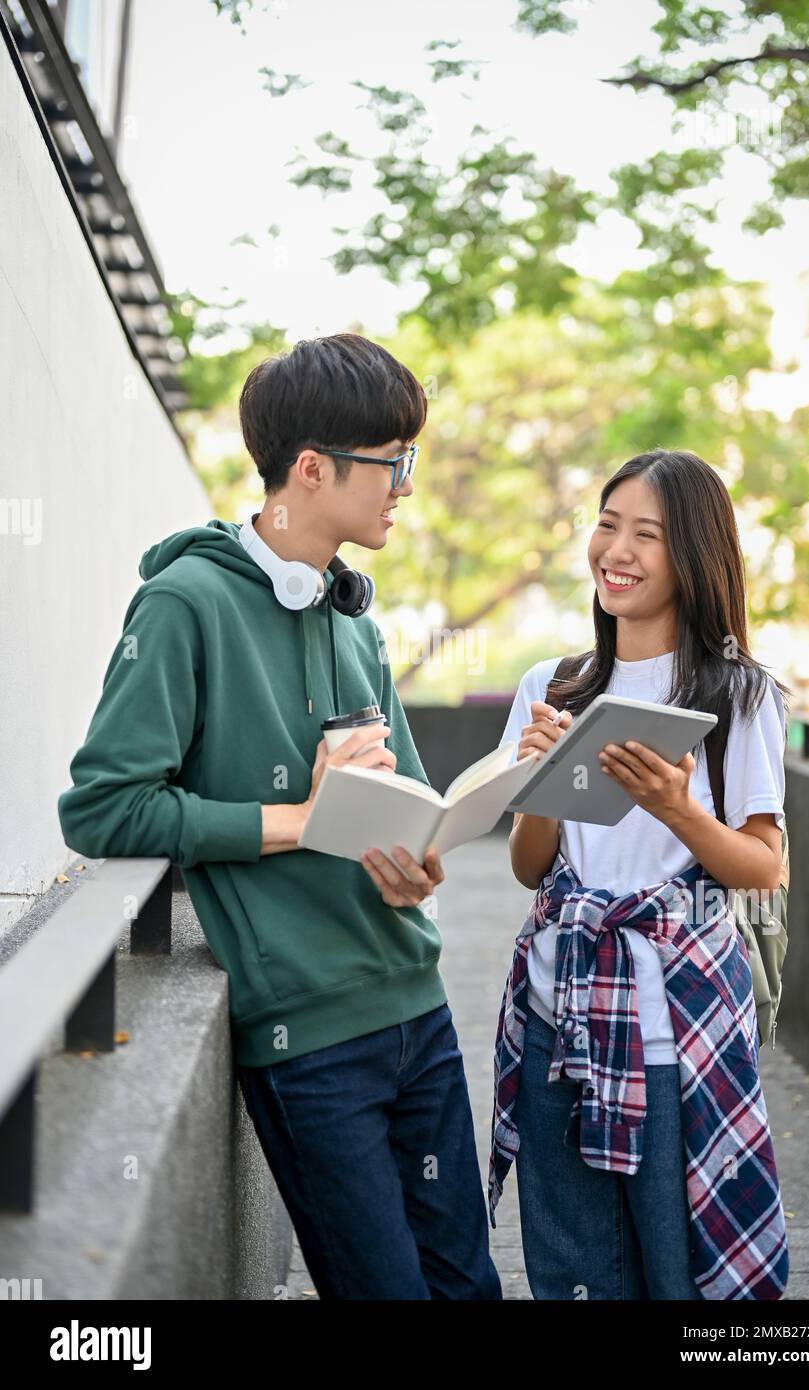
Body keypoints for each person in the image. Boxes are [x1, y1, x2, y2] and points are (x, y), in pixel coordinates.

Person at [58, 332, 501, 1302]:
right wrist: (299, 818)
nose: (407, 487)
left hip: (416, 1004)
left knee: (469, 1289)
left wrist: (418, 860)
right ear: (310, 469)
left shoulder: (355, 619)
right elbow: (103, 808)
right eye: (394, 463)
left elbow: (412, 807)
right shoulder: (183, 605)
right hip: (309, 1036)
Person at [490, 448, 792, 1301]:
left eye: (645, 535)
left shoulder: (737, 695)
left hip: (676, 1033)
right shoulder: (551, 685)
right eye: (607, 524)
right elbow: (529, 868)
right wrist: (539, 787)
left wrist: (677, 809)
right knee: (573, 1269)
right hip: (559, 1018)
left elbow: (761, 868)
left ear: (692, 555)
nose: (614, 551)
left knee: (682, 1269)